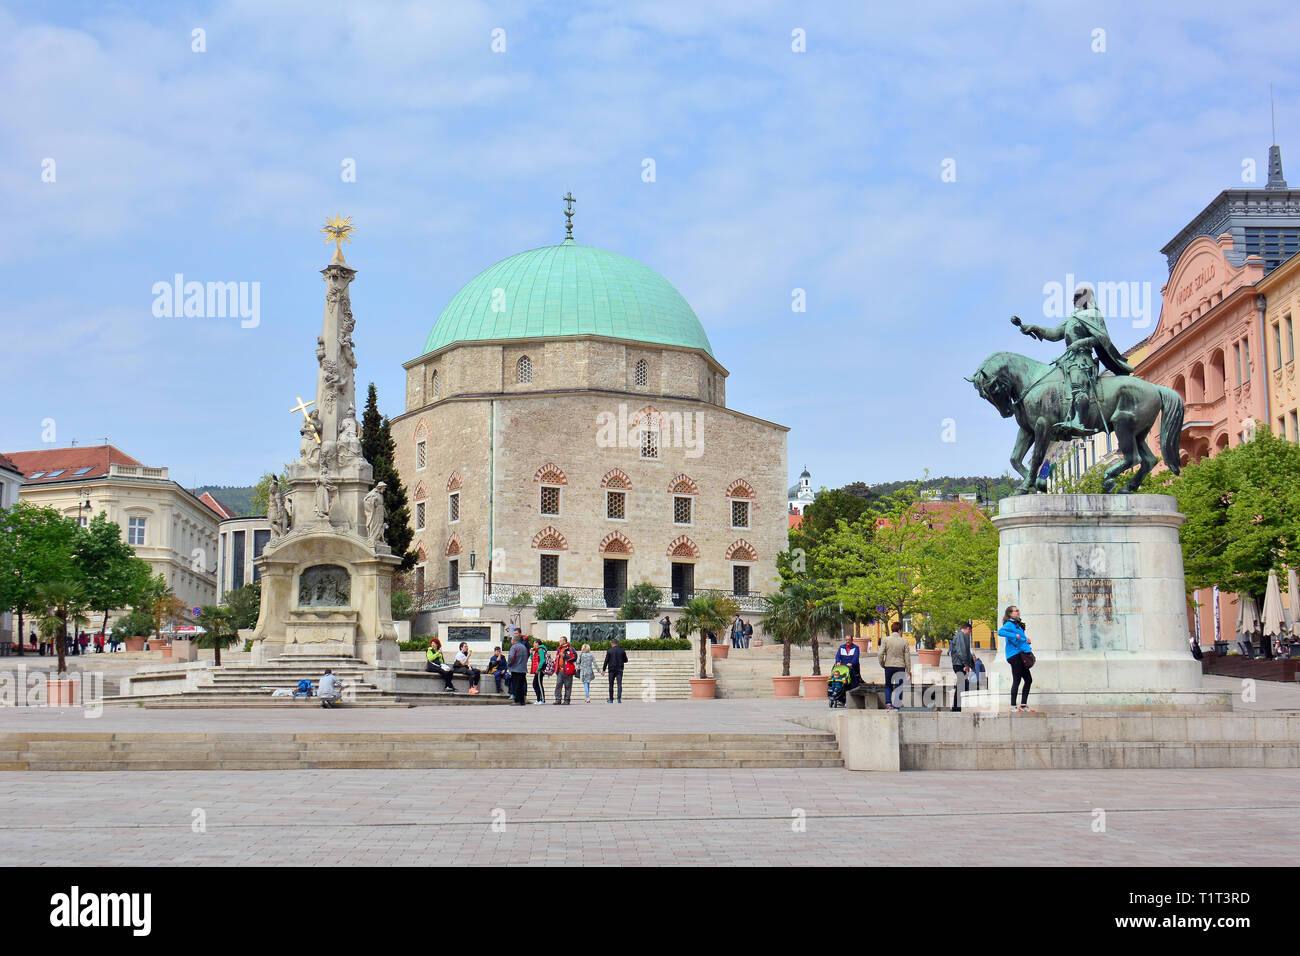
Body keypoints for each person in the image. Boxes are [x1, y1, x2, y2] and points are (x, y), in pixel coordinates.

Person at [998, 605, 1034, 713]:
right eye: (1016, 611)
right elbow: (1000, 632)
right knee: (1017, 680)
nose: (1018, 612)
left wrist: (1025, 640)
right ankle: (1013, 706)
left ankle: (1023, 705)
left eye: (1018, 610)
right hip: (1014, 655)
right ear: (1010, 613)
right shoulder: (1009, 624)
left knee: (1028, 680)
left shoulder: (1017, 625)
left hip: (1020, 654)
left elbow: (1020, 638)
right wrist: (1015, 636)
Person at [879, 622, 912, 710]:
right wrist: (908, 670)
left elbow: (880, 653)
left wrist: (883, 664)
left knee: (888, 685)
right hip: (900, 666)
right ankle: (897, 705)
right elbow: (907, 658)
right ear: (900, 630)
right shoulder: (904, 641)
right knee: (899, 686)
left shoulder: (885, 640)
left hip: (888, 666)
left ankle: (888, 704)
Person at [950, 622, 975, 712]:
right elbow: (962, 651)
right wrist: (966, 664)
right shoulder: (961, 636)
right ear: (967, 629)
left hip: (959, 663)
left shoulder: (960, 636)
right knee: (962, 685)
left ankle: (957, 706)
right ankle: (956, 707)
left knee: (962, 684)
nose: (970, 633)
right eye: (970, 631)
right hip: (960, 664)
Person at [602, 637, 629, 703]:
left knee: (611, 684)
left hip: (611, 669)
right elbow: (626, 660)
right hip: (619, 669)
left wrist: (603, 670)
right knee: (619, 684)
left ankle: (611, 699)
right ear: (617, 644)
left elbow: (606, 661)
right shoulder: (622, 650)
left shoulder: (609, 650)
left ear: (612, 644)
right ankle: (619, 698)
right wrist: (621, 660)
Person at [552, 636, 577, 705]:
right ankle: (558, 699)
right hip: (560, 670)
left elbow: (574, 657)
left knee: (568, 686)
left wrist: (565, 656)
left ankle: (567, 700)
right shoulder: (559, 649)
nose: (559, 642)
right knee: (558, 685)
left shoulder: (571, 649)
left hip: (568, 671)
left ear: (564, 641)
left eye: (561, 641)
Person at [507, 629, 529, 705]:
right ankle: (522, 701)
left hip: (516, 668)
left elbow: (511, 657)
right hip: (523, 668)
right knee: (521, 685)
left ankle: (517, 701)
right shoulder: (524, 647)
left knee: (516, 685)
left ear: (514, 640)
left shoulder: (514, 647)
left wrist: (509, 664)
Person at [529, 639, 548, 704]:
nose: (533, 645)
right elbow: (533, 660)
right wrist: (531, 654)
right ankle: (538, 699)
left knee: (538, 684)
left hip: (540, 670)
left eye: (534, 643)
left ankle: (542, 699)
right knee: (535, 684)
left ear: (537, 644)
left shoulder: (540, 650)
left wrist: (538, 668)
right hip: (537, 670)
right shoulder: (537, 651)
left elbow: (542, 660)